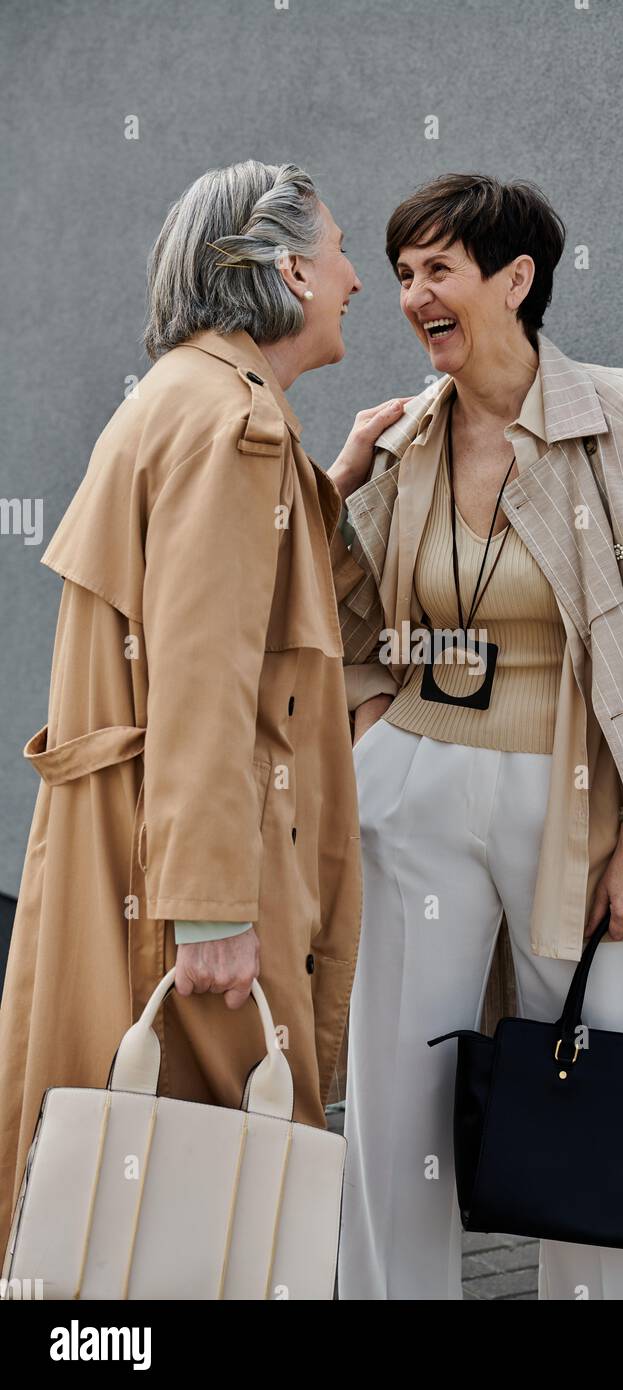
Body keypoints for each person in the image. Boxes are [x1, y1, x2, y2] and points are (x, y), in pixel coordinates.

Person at [332, 173, 623, 1300]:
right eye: (399, 276)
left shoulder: (619, 418)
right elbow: (336, 607)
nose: (411, 296)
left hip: (579, 803)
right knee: (395, 1092)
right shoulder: (403, 439)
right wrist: (376, 734)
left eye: (437, 269)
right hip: (417, 792)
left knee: (606, 1091)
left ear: (514, 279)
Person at [0, 159, 405, 1252]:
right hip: (187, 882)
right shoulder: (235, 426)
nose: (355, 280)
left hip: (128, 855)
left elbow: (217, 598)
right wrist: (215, 906)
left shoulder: (192, 396)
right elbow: (199, 671)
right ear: (286, 270)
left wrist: (332, 481)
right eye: (337, 253)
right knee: (201, 1199)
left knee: (111, 1197)